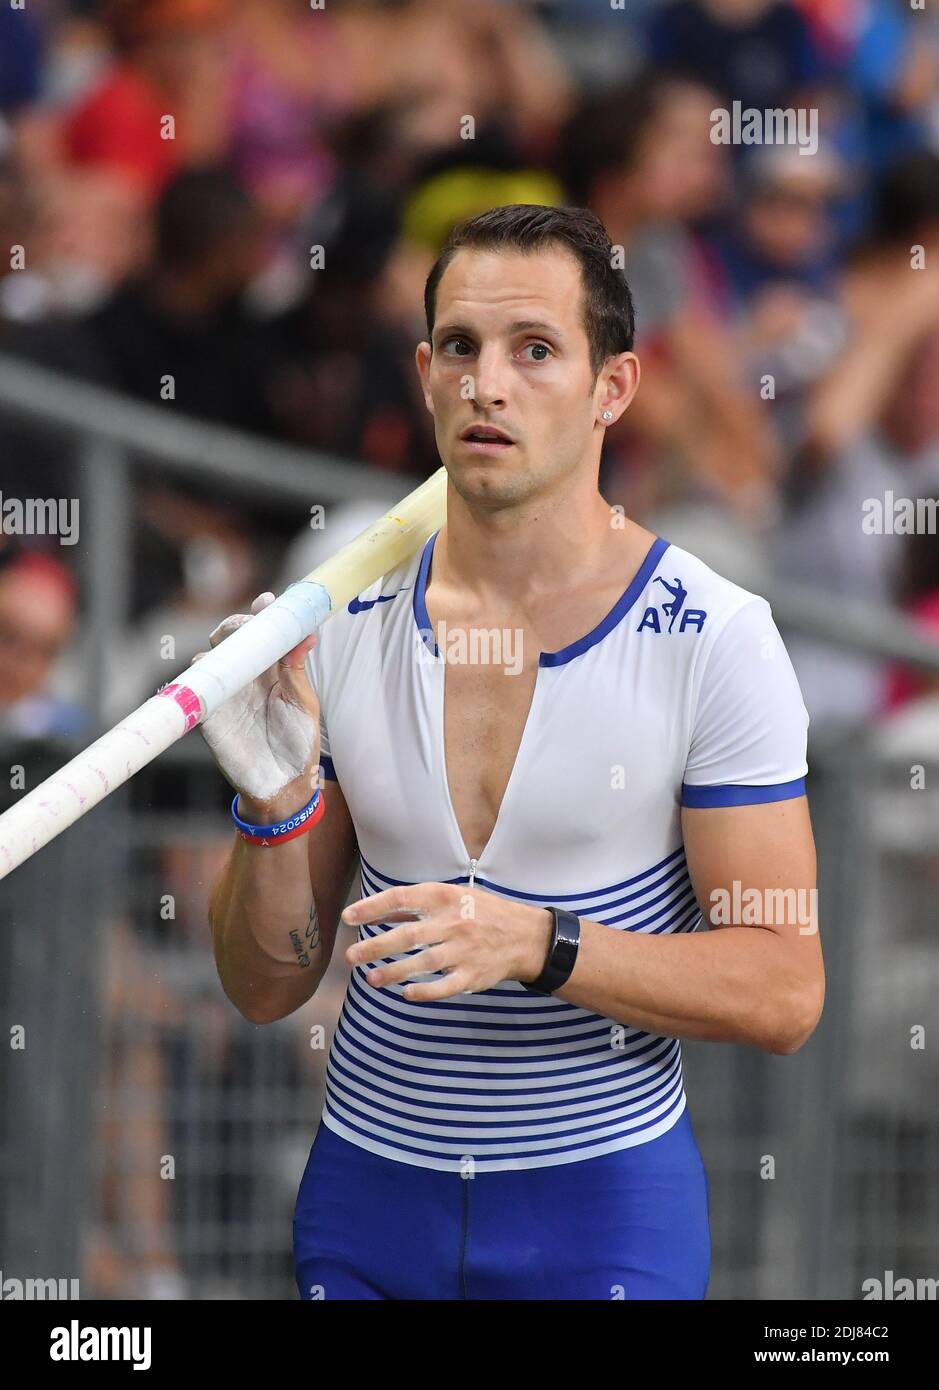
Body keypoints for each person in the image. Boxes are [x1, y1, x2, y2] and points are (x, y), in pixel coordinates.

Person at [201, 205, 824, 1300]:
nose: (489, 382)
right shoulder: (344, 609)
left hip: (599, 1211)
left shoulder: (713, 635)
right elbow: (265, 986)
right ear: (426, 373)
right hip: (366, 1194)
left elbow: (782, 988)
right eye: (460, 347)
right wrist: (272, 806)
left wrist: (541, 940)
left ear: (612, 389)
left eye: (535, 349)